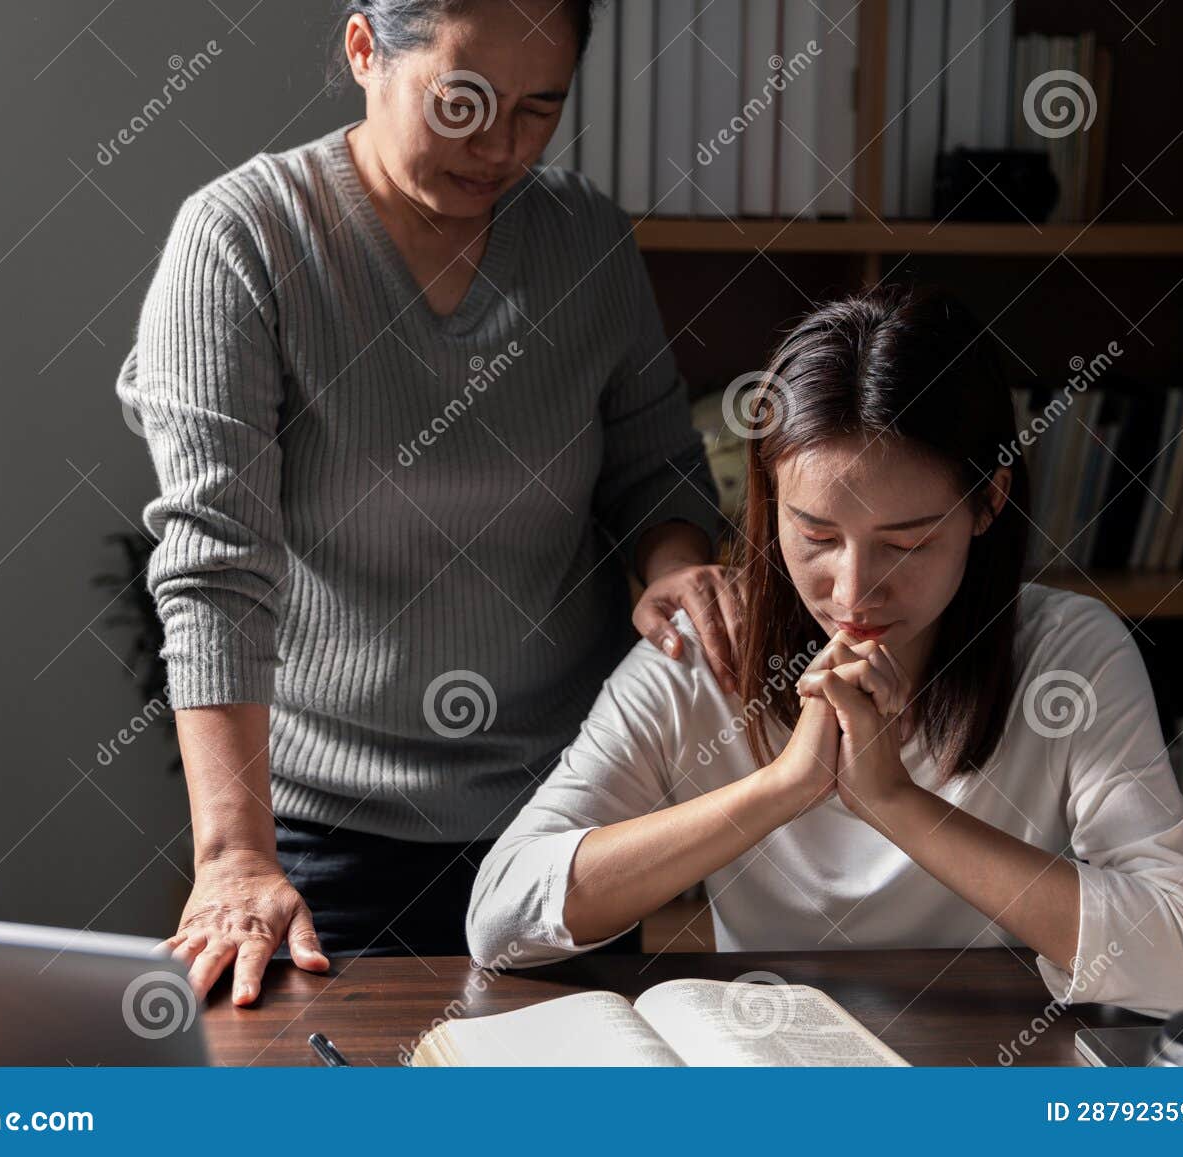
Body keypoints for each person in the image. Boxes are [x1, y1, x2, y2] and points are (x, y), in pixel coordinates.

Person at [116, 0, 739, 1008]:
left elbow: (654, 469)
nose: (498, 148)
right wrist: (234, 854)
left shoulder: (582, 236)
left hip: (569, 811)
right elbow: (215, 563)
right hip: (327, 828)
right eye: (463, 102)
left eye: (539, 110)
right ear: (365, 51)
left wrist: (674, 569)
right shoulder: (244, 237)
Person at [466, 286, 1183, 1018]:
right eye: (818, 537)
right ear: (769, 493)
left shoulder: (1070, 654)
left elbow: (1181, 964)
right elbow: (499, 919)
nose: (855, 591)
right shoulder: (708, 643)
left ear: (989, 502)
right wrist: (785, 786)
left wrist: (893, 800)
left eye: (908, 541)